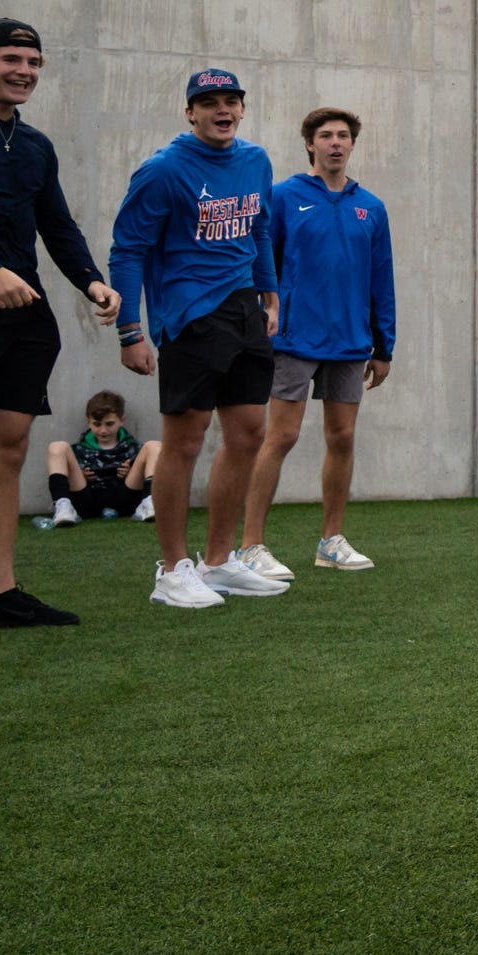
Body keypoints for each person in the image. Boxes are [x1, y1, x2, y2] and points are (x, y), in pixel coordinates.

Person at [0, 19, 119, 629]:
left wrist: (91, 279)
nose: (25, 71)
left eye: (34, 61)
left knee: (7, 449)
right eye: (11, 58)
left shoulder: (36, 145)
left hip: (25, 311)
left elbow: (57, 225)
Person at [109, 67, 288, 608]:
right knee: (185, 442)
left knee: (249, 434)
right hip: (189, 316)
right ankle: (171, 570)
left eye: (231, 100)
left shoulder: (255, 160)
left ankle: (218, 563)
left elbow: (257, 228)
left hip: (244, 311)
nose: (222, 110)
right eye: (209, 102)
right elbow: (127, 250)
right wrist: (130, 332)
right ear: (190, 112)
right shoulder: (164, 170)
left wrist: (270, 292)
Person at [237, 106, 392, 576]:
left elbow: (380, 279)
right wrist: (266, 318)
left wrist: (384, 346)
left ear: (352, 144)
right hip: (293, 339)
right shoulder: (283, 197)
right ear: (310, 143)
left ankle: (331, 541)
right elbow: (262, 264)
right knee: (280, 436)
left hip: (350, 341)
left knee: (342, 437)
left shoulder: (372, 207)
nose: (335, 143)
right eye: (325, 135)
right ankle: (250, 547)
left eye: (343, 135)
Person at [44, 391, 159, 526]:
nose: (103, 430)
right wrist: (81, 475)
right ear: (88, 422)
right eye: (97, 424)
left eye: (109, 424)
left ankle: (150, 503)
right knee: (57, 447)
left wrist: (130, 472)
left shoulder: (134, 448)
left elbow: (139, 474)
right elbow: (72, 479)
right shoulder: (78, 450)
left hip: (125, 499)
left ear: (122, 420)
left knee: (154, 446)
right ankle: (63, 508)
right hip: (86, 501)